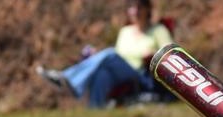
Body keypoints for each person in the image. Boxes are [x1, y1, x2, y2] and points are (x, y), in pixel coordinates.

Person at [36, 0, 173, 109]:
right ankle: (94, 112)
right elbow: (119, 54)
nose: (135, 12)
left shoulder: (158, 30)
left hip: (140, 73)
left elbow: (169, 53)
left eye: (139, 7)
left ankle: (67, 78)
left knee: (109, 54)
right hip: (119, 69)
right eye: (132, 8)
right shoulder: (125, 31)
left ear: (147, 9)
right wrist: (97, 56)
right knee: (102, 73)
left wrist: (153, 54)